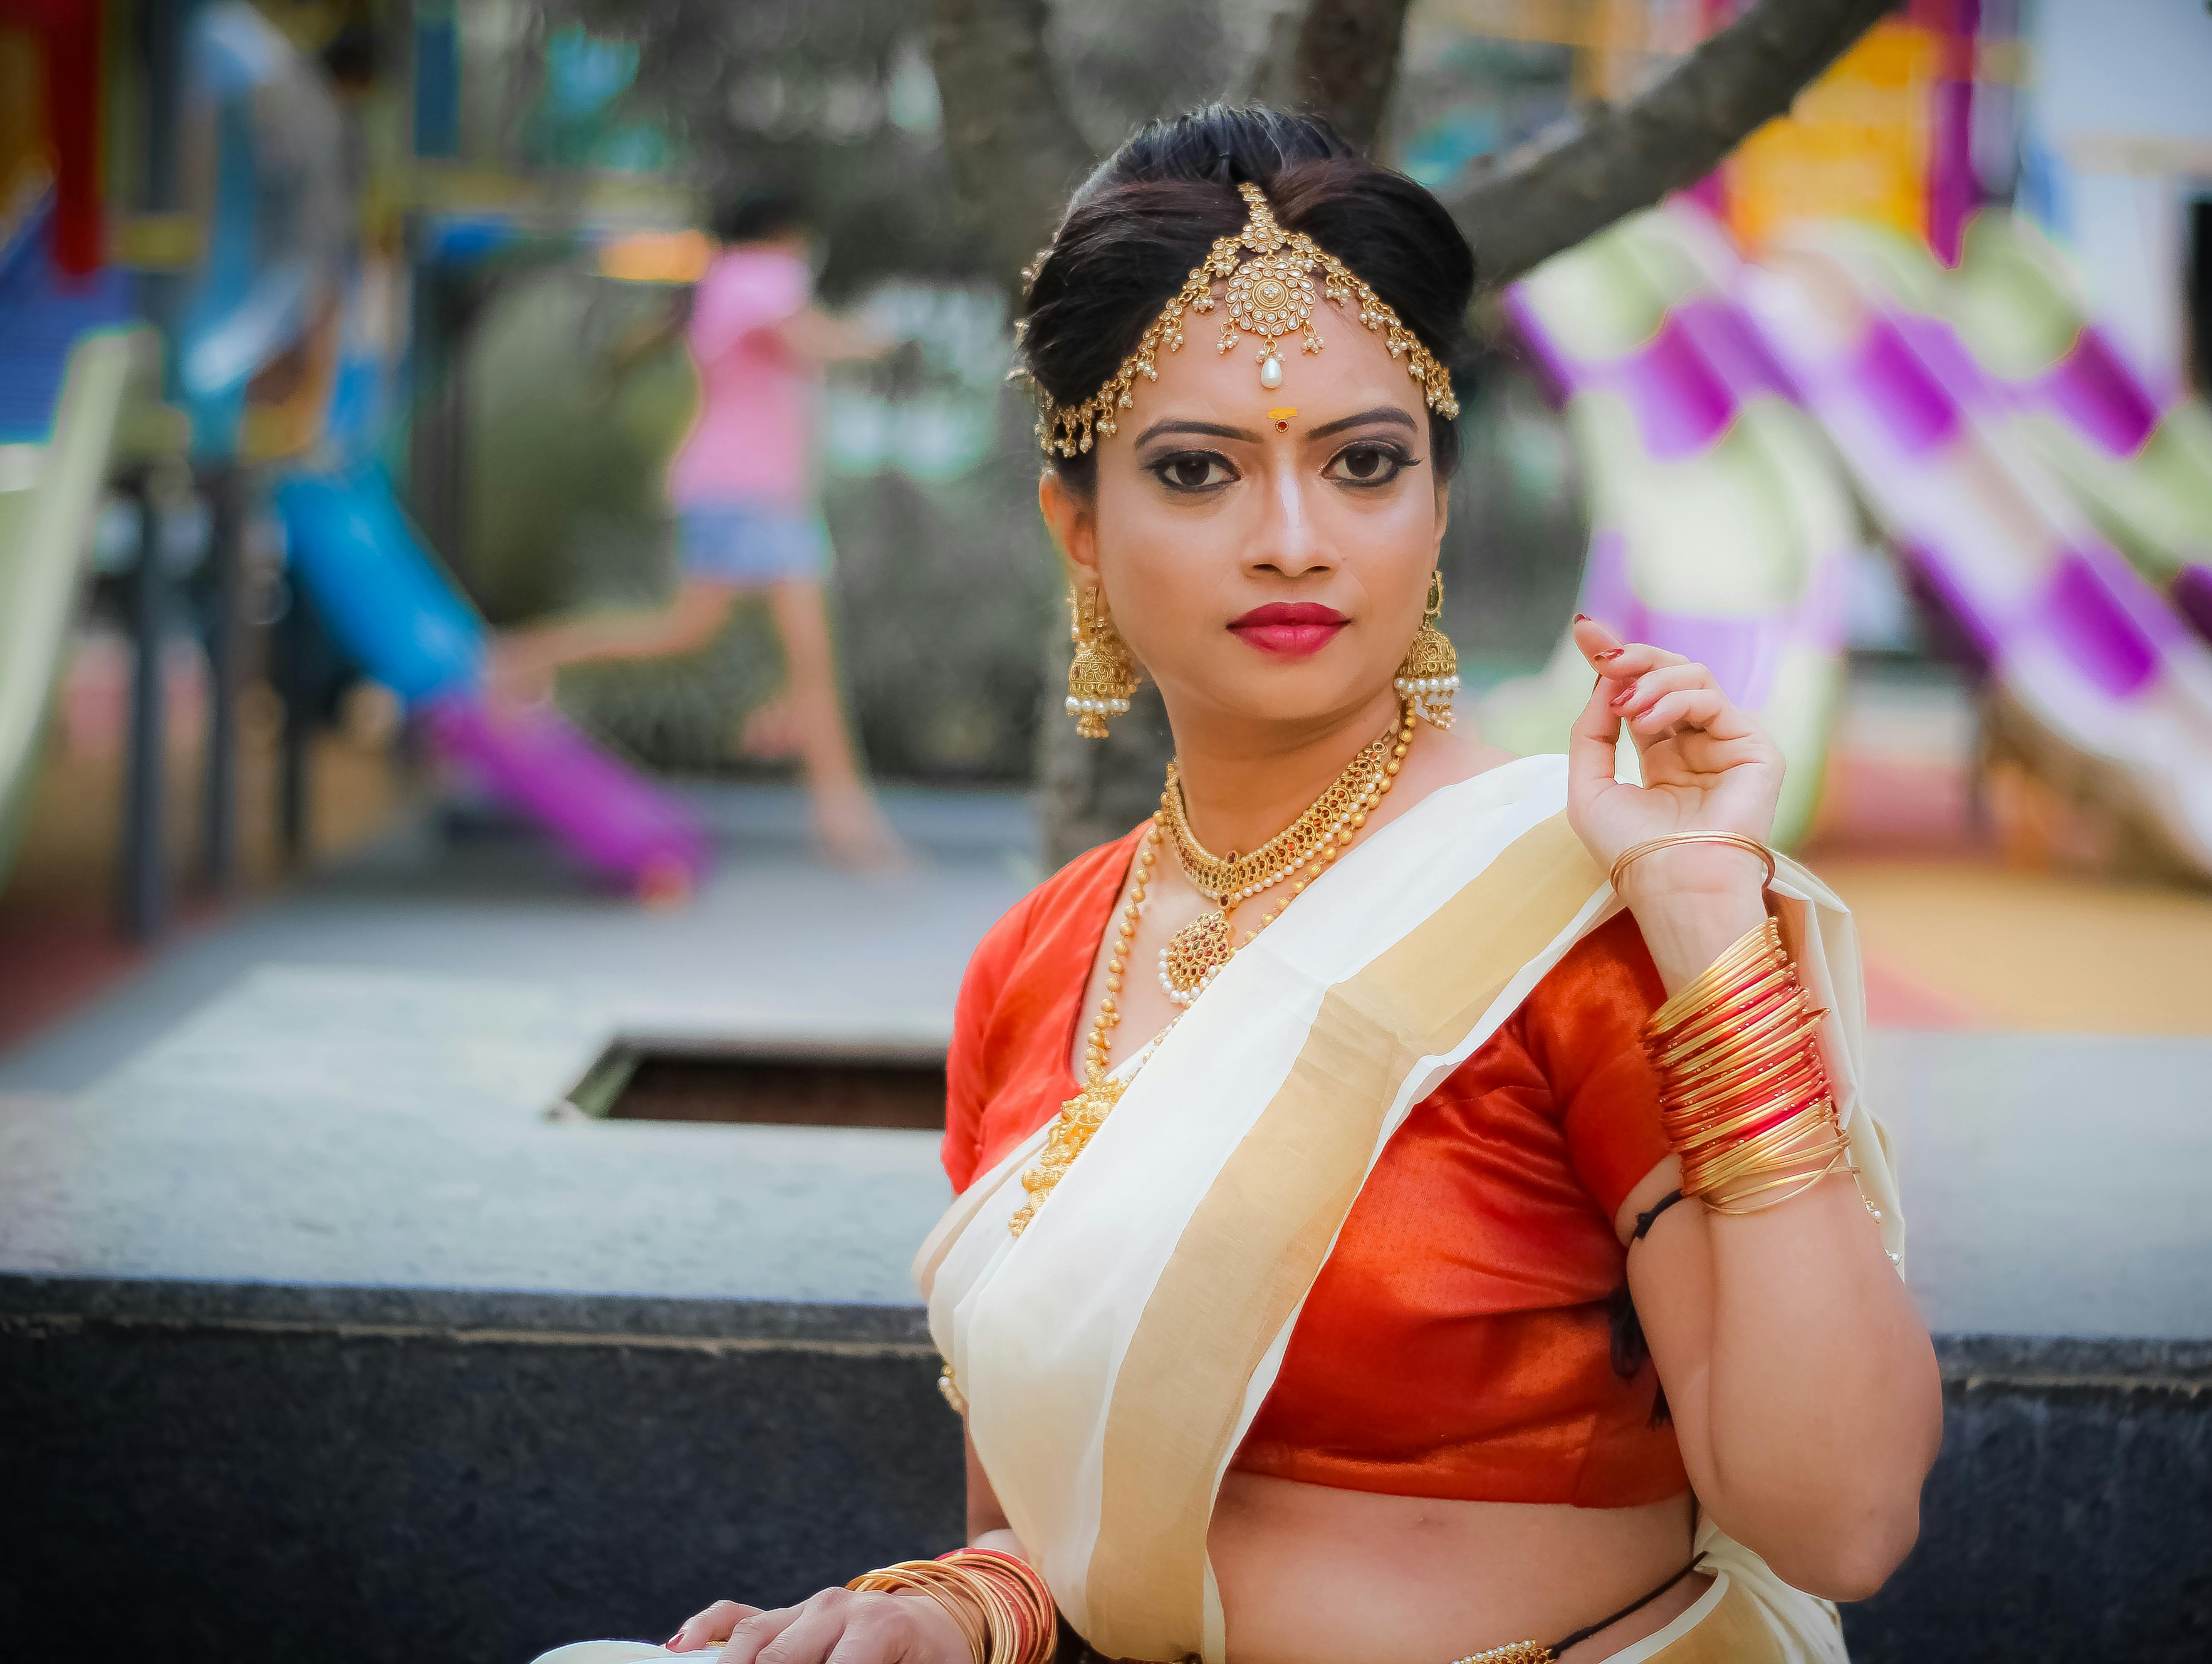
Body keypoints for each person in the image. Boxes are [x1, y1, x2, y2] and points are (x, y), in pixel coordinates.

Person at [539, 105, 1940, 1664]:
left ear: (1440, 500)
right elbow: (1046, 1529)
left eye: (1363, 463)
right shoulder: (1040, 963)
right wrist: (952, 1608)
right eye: (1199, 471)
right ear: (1078, 525)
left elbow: (1845, 1520)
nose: (1293, 541)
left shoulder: (1588, 915)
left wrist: (1702, 921)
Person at [491, 188, 901, 865]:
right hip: (750, 495)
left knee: (691, 633)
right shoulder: (756, 278)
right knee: (802, 656)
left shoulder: (719, 283)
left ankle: (526, 657)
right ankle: (844, 819)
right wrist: (878, 339)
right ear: (782, 233)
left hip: (745, 493)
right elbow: (808, 339)